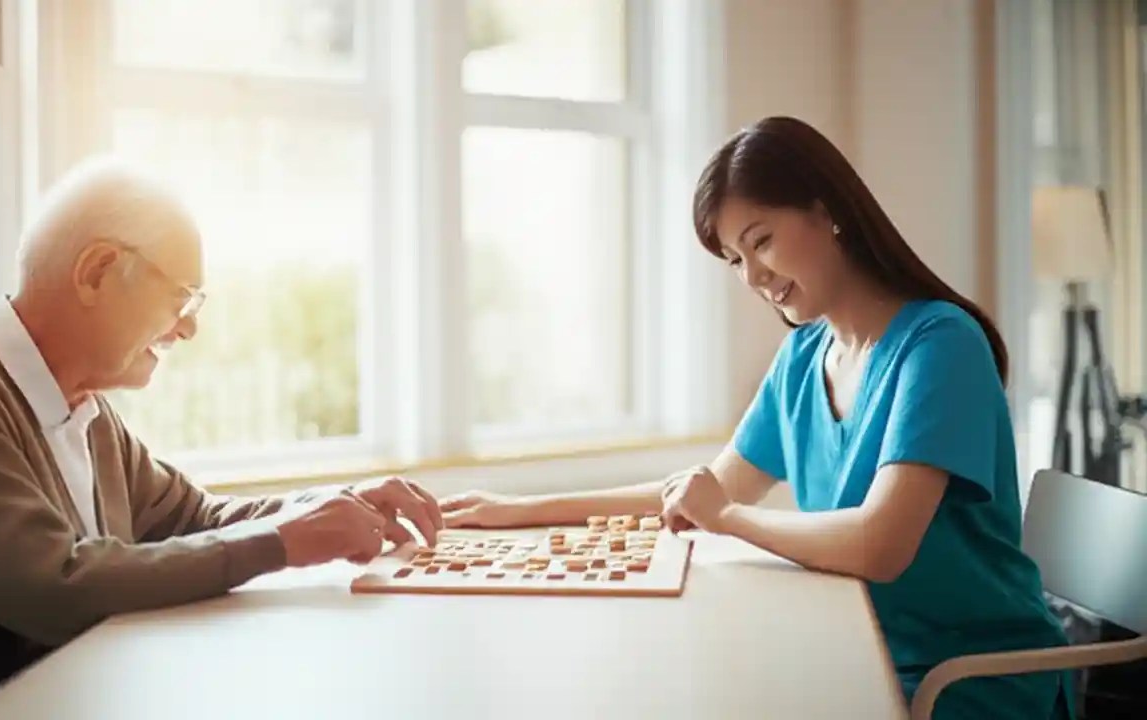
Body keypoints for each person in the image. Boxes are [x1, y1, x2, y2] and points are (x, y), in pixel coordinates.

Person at [440, 116, 1073, 718]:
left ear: (827, 213)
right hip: (862, 652)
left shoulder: (940, 346)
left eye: (760, 241)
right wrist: (518, 509)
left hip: (969, 679)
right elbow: (705, 493)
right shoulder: (803, 356)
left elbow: (880, 547)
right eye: (735, 260)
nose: (753, 276)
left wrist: (731, 520)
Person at [0, 158, 442, 717]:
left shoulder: (85, 412)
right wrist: (284, 540)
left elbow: (200, 520)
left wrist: (334, 506)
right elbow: (59, 586)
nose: (189, 327)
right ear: (96, 271)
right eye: (182, 298)